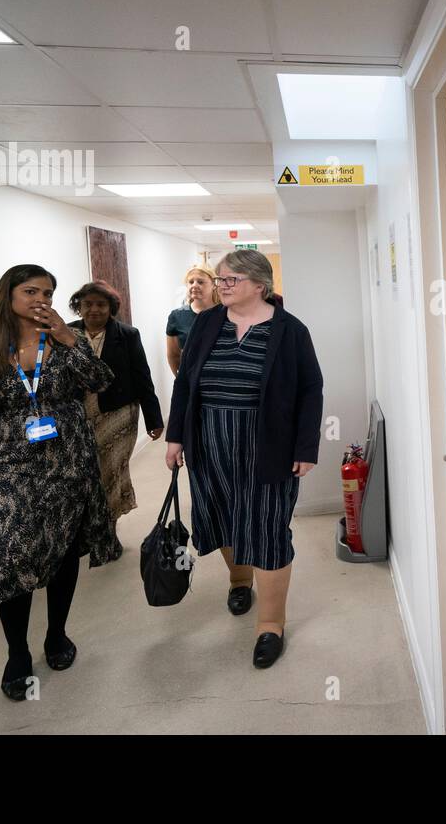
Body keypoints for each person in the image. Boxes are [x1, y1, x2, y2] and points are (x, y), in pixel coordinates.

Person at [0, 264, 120, 702]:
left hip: (67, 463)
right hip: (6, 468)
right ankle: (17, 653)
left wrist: (69, 338)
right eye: (31, 291)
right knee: (12, 557)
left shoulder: (65, 341)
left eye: (48, 292)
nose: (41, 299)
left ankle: (57, 635)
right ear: (8, 295)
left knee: (62, 552)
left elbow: (101, 382)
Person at [164, 249, 322, 669]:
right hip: (210, 440)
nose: (221, 286)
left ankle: (270, 625)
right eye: (220, 279)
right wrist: (175, 436)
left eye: (230, 279)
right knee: (219, 516)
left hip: (267, 444)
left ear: (259, 284)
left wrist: (306, 448)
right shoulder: (206, 324)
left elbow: (311, 390)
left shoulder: (290, 330)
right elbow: (185, 385)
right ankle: (239, 580)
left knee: (268, 527)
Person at [67, 280, 164, 541]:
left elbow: (142, 377)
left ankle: (107, 528)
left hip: (119, 413)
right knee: (86, 472)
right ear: (79, 307)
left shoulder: (127, 334)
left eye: (101, 304)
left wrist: (154, 419)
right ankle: (90, 527)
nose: (94, 310)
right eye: (87, 304)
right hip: (78, 415)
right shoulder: (66, 334)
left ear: (111, 307)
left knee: (110, 469)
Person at [166, 266, 218, 376]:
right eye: (191, 282)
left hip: (219, 378)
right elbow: (173, 355)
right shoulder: (177, 316)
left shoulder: (225, 313)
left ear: (214, 285)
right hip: (191, 379)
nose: (194, 285)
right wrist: (180, 380)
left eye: (200, 282)